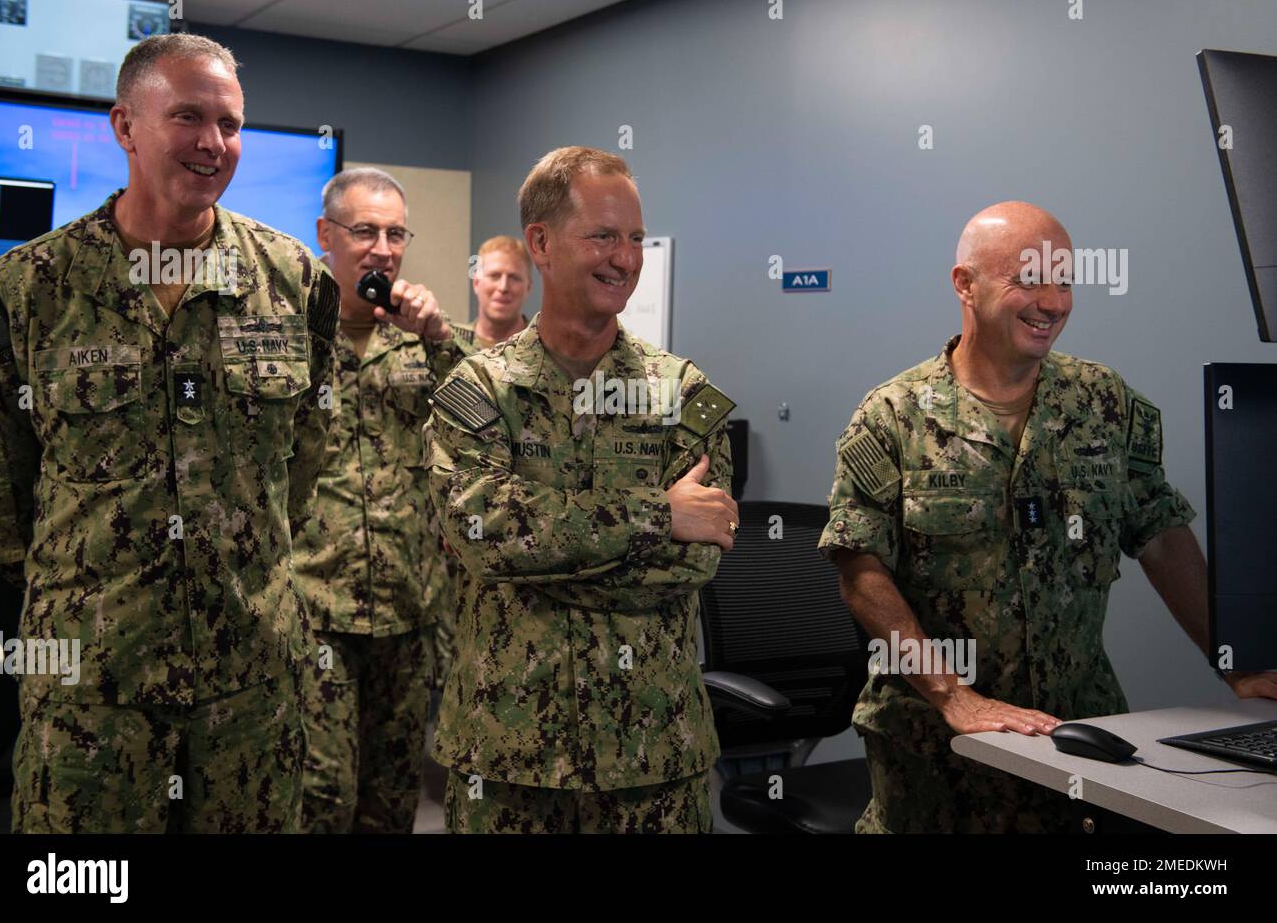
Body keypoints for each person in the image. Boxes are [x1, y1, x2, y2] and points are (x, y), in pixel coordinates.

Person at [819, 200, 1277, 833]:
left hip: (1079, 740)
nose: (1053, 301)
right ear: (965, 284)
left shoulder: (1106, 403)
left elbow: (1161, 536)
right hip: (936, 752)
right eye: (1027, 279)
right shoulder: (894, 416)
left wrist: (1239, 661)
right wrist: (954, 695)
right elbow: (861, 573)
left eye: (1064, 280)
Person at [0, 33, 338, 832]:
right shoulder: (25, 292)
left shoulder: (294, 283)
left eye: (230, 123)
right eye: (187, 117)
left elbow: (307, 465)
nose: (213, 143)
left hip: (250, 689)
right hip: (90, 696)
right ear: (124, 126)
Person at [424, 146, 738, 833]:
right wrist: (660, 514)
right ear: (541, 242)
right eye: (602, 236)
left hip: (653, 756)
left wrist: (543, 565)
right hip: (508, 756)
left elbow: (698, 557)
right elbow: (487, 539)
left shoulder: (683, 392)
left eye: (634, 239)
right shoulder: (476, 389)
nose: (623, 258)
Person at [294, 167, 462, 833]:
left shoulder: (423, 343)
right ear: (326, 236)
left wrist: (442, 341)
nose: (384, 249)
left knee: (391, 802)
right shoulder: (288, 336)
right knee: (320, 797)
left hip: (408, 609)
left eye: (396, 234)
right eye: (366, 231)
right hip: (317, 610)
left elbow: (487, 427)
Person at [425, 235, 533, 694]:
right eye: (494, 275)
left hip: (526, 523)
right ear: (476, 280)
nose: (503, 286)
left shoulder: (542, 351)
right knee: (457, 654)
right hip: (456, 530)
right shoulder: (451, 347)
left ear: (528, 286)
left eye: (514, 278)